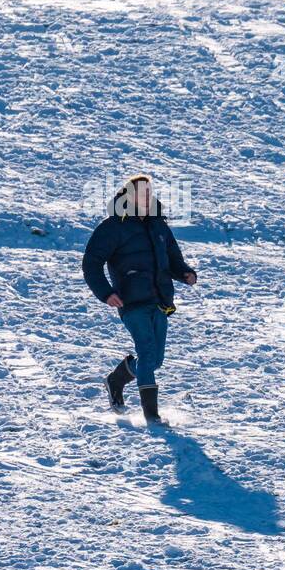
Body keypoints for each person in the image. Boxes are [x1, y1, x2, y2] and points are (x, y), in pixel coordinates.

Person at [81, 175, 197, 424]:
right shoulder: (113, 226)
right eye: (140, 192)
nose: (146, 196)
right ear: (128, 197)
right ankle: (152, 416)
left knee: (155, 360)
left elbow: (173, 258)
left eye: (149, 192)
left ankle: (115, 380)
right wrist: (106, 293)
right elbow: (91, 263)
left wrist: (185, 273)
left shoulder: (158, 225)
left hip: (159, 299)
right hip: (130, 301)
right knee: (146, 353)